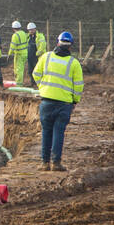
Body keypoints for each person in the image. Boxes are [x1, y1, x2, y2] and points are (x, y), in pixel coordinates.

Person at [32, 31, 83, 171]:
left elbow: (35, 74)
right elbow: (78, 85)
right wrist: (75, 101)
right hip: (64, 104)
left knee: (46, 131)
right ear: (70, 46)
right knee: (58, 132)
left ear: (57, 42)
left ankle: (44, 163)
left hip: (46, 101)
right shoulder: (74, 63)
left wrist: (43, 87)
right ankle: (56, 163)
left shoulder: (46, 57)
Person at [8, 20, 28, 86]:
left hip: (19, 54)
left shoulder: (15, 35)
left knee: (18, 69)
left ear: (13, 28)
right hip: (25, 53)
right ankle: (20, 82)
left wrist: (9, 54)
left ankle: (19, 84)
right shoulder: (24, 33)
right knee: (21, 68)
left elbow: (12, 46)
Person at [25, 22, 44, 86]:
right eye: (29, 30)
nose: (31, 31)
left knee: (37, 71)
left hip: (36, 57)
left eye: (32, 30)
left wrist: (37, 54)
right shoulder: (28, 37)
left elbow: (42, 47)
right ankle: (32, 83)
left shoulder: (40, 36)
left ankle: (38, 83)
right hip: (30, 57)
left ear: (35, 29)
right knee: (30, 70)